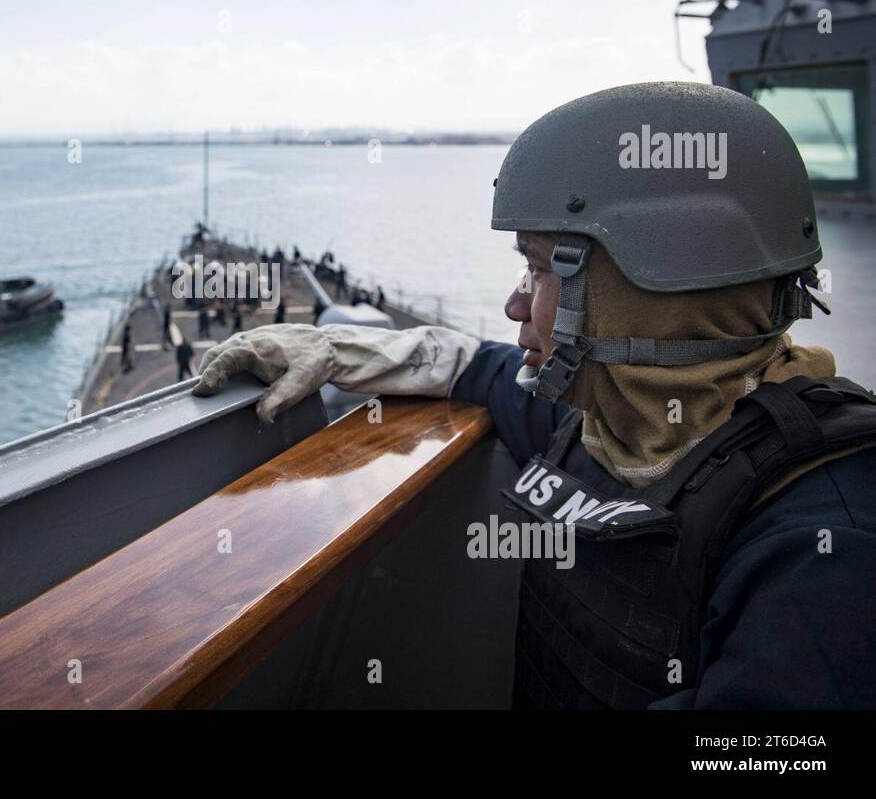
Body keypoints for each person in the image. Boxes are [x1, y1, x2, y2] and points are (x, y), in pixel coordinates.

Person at [193, 81, 876, 709]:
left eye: (541, 269)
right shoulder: (611, 420)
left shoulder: (826, 536)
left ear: (650, 292)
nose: (515, 303)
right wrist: (345, 348)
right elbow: (479, 370)